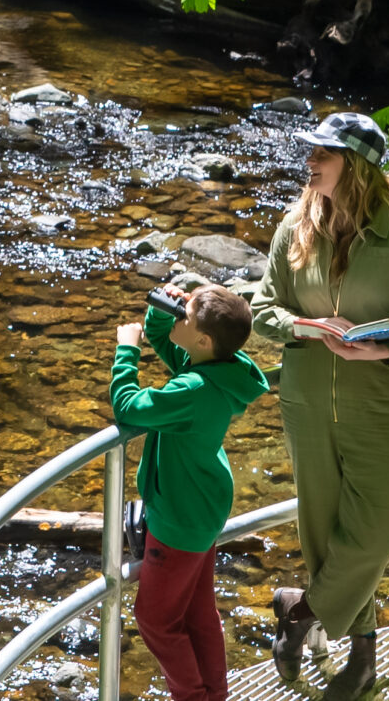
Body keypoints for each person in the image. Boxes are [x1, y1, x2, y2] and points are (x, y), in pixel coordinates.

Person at [249, 112, 389, 699]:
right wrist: (308, 326)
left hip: (385, 407)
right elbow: (262, 313)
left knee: (381, 529)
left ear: (356, 167)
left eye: (324, 154)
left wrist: (382, 349)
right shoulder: (294, 229)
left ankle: (299, 611)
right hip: (307, 402)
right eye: (311, 152)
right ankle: (363, 662)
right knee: (326, 536)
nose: (310, 162)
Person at [110, 282, 271, 701]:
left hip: (180, 519)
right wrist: (166, 309)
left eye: (185, 314)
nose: (178, 314)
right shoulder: (219, 369)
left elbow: (127, 407)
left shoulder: (192, 389)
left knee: (155, 621)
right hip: (203, 504)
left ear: (202, 340)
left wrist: (126, 350)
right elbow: (163, 336)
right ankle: (213, 695)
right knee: (198, 614)